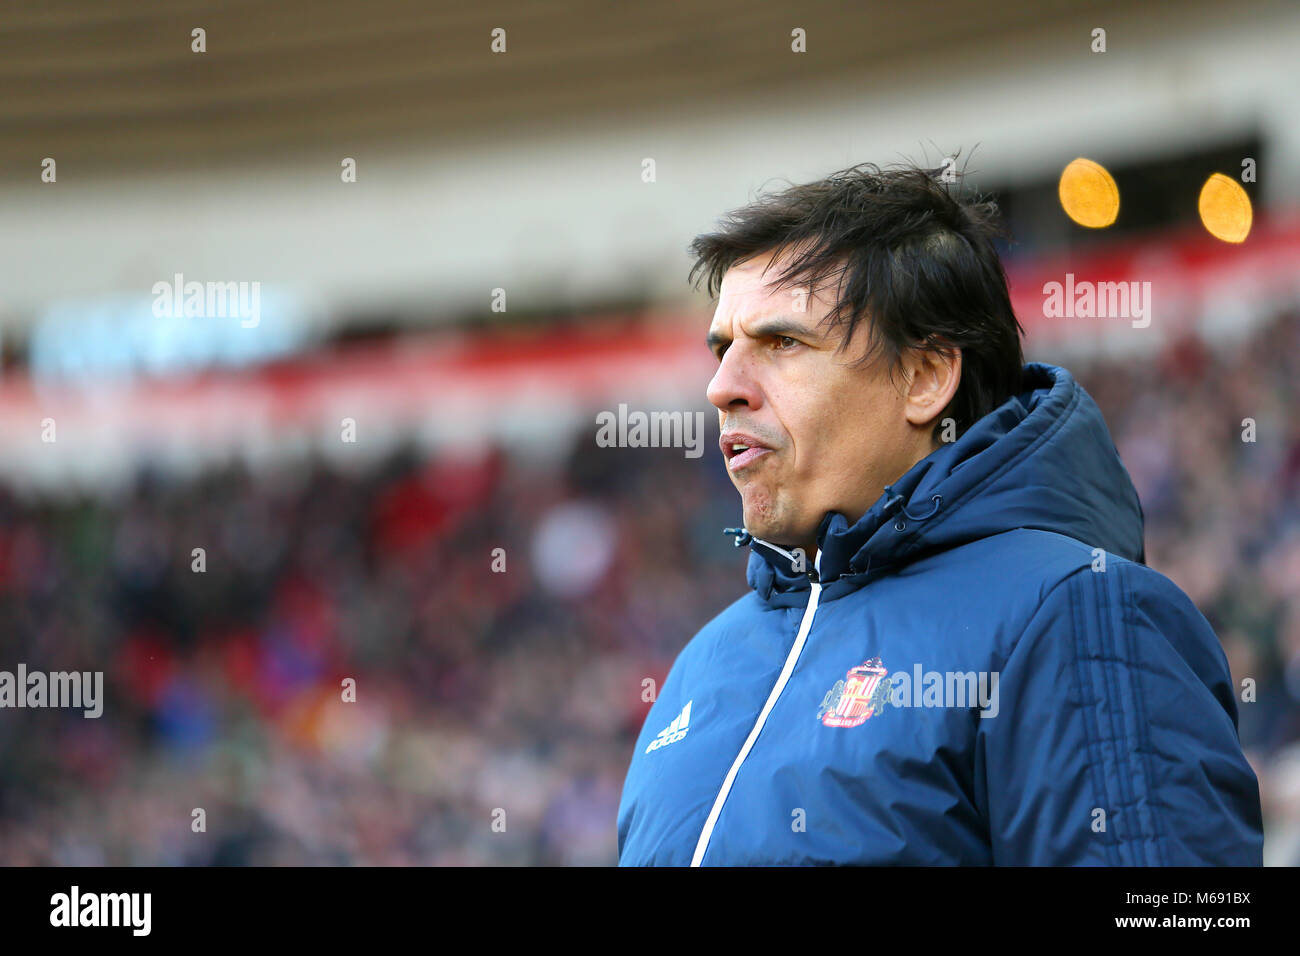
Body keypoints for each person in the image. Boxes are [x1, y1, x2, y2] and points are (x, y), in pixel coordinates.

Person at [616, 161, 1264, 865]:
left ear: (925, 378)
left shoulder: (1078, 615)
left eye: (782, 343)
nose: (721, 387)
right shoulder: (701, 666)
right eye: (722, 349)